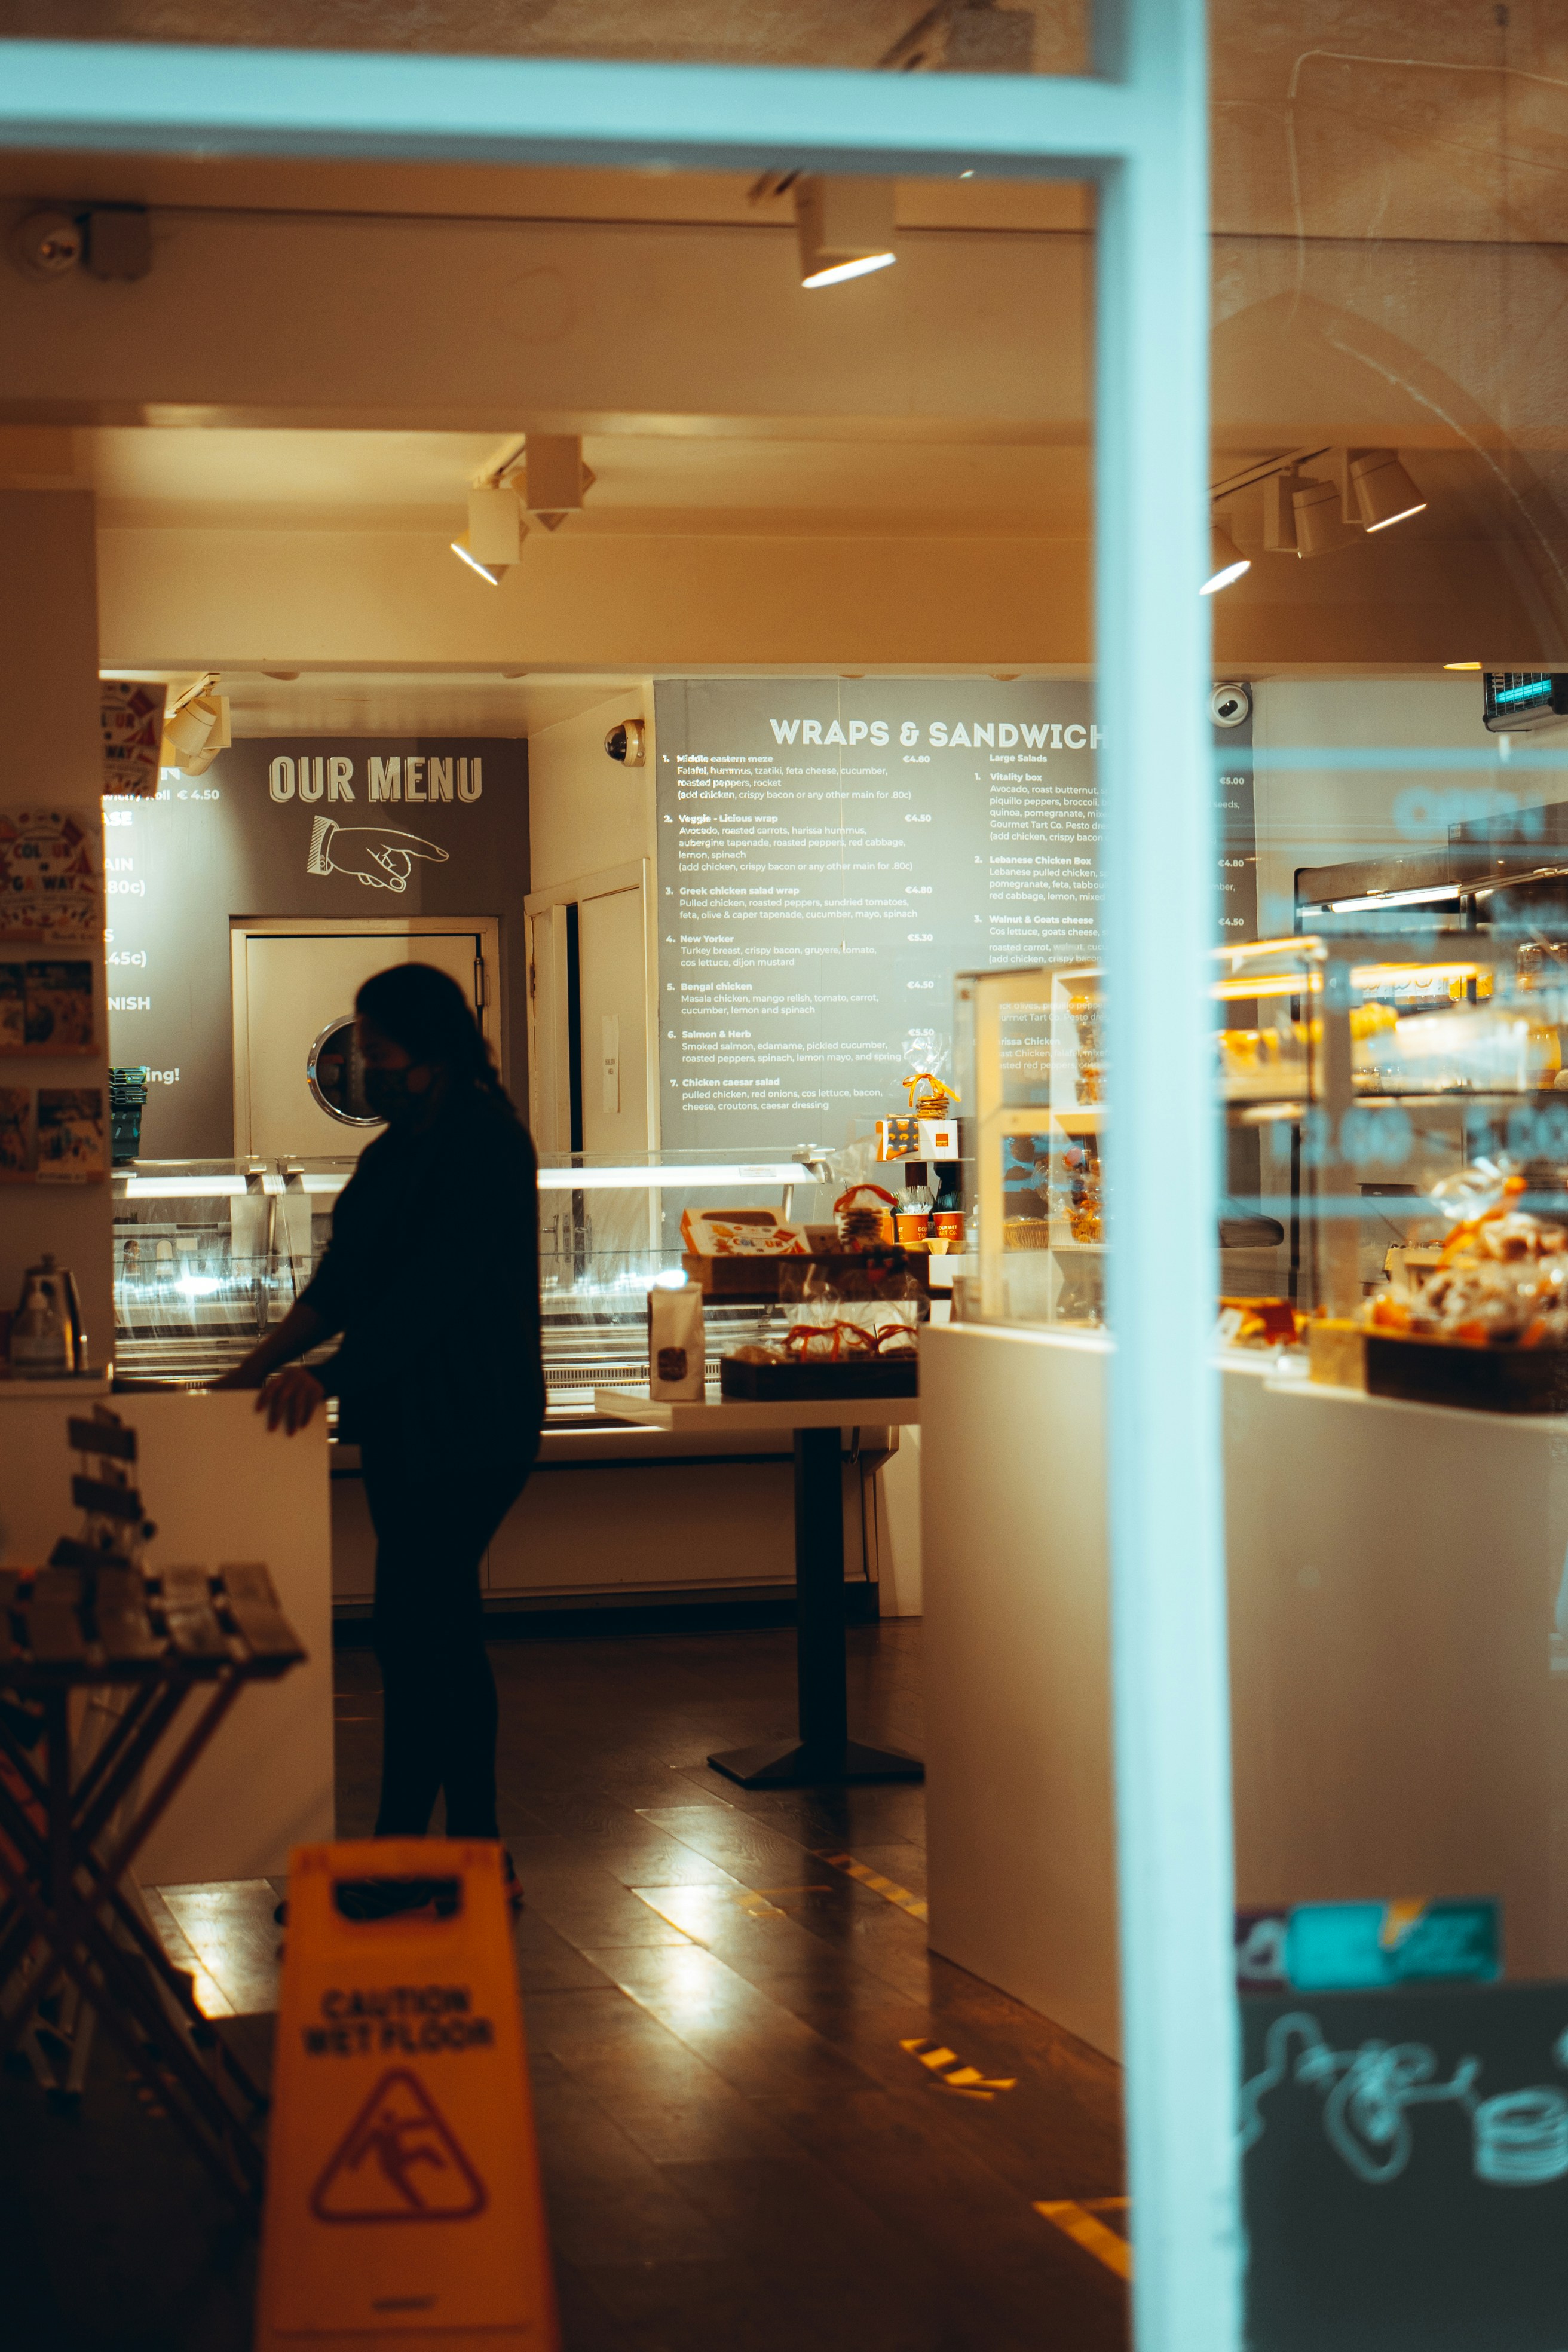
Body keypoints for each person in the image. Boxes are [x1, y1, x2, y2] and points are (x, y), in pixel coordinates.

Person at [218, 963, 543, 1891]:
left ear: (430, 1054)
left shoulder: (486, 1144)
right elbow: (346, 1284)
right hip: (407, 1420)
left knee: (422, 1626)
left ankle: (428, 1850)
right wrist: (260, 1365)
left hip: (472, 1419)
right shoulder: (397, 1148)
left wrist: (327, 1375)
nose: (363, 1068)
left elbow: (435, 1291)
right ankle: (457, 1852)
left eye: (376, 1052)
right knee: (423, 1630)